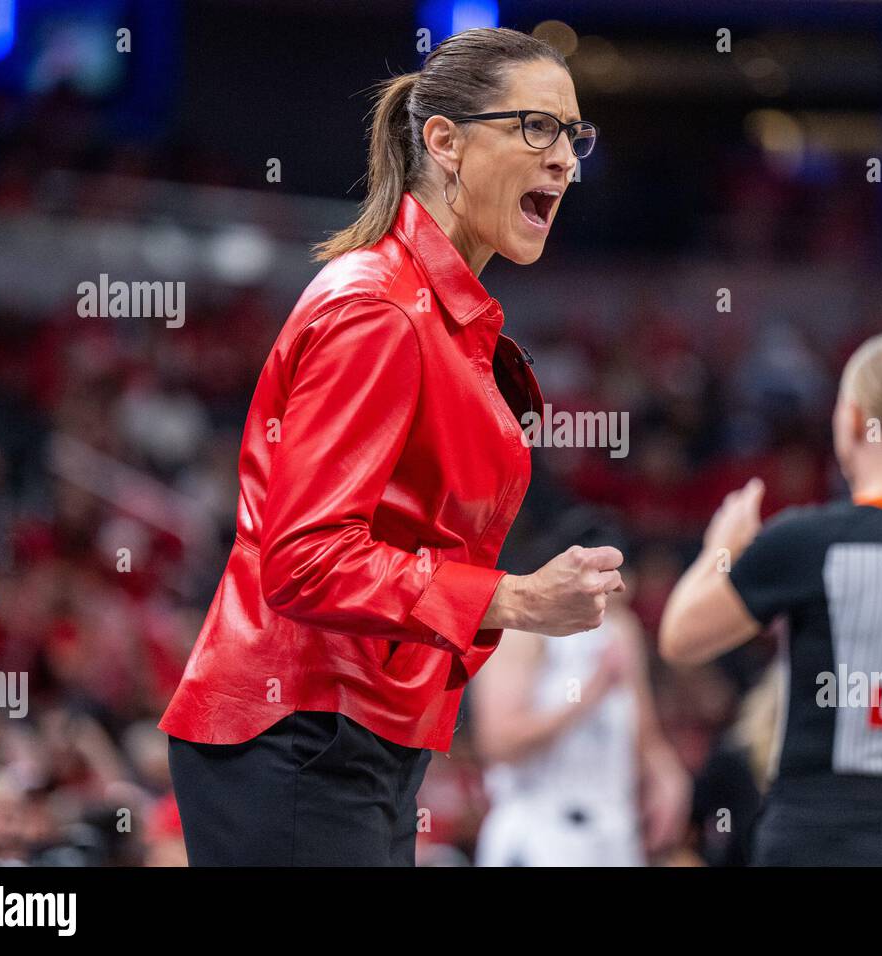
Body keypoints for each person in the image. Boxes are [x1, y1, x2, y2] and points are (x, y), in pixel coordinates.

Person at [160, 28, 622, 866]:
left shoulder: (441, 318)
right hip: (297, 732)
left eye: (574, 136)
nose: (567, 161)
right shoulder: (378, 309)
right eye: (538, 128)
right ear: (443, 141)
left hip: (353, 739)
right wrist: (509, 600)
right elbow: (304, 559)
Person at [660, 330, 882, 866]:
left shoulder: (811, 541)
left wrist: (721, 548)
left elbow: (679, 638)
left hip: (827, 836)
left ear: (852, 419)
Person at [472, 515, 690, 866]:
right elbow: (499, 742)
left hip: (614, 833)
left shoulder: (622, 629)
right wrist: (590, 694)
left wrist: (668, 775)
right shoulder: (522, 630)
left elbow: (645, 735)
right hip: (543, 831)